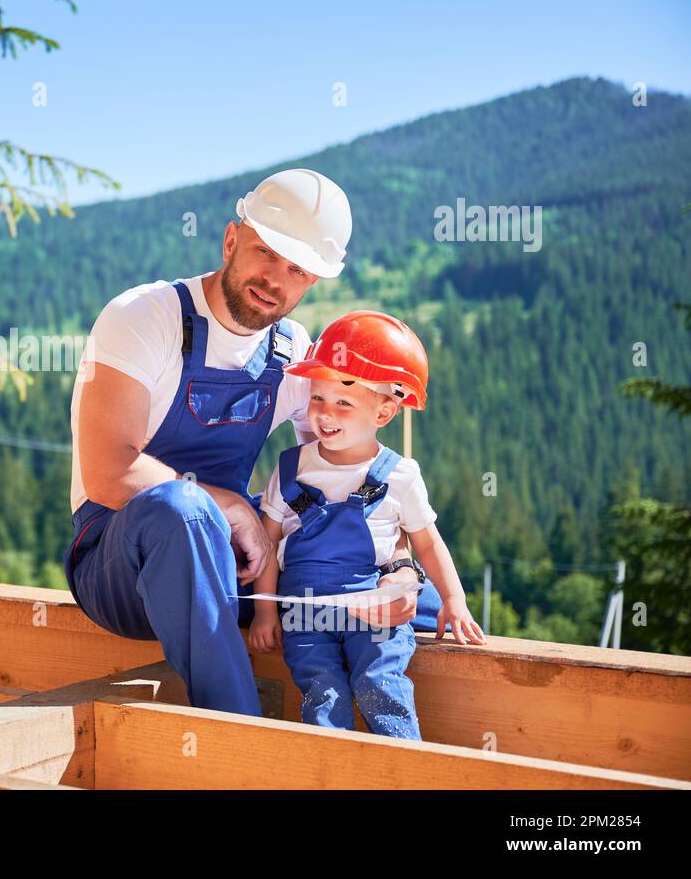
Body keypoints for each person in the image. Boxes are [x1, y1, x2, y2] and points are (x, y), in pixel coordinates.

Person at [63, 168, 443, 718]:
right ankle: (242, 736)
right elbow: (106, 472)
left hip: (234, 569)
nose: (275, 280)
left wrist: (399, 570)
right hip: (117, 568)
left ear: (313, 280)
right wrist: (232, 505)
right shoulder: (145, 318)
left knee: (420, 603)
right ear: (231, 239)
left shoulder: (293, 352)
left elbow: (347, 483)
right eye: (266, 253)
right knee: (184, 510)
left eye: (297, 269)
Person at [246, 310, 486, 739]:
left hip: (375, 611)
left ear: (384, 412)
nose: (325, 413)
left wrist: (454, 600)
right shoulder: (289, 469)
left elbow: (428, 544)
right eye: (318, 398)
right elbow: (267, 543)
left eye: (344, 403)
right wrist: (265, 611)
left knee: (379, 684)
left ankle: (403, 768)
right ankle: (332, 773)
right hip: (306, 612)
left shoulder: (399, 476)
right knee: (322, 693)